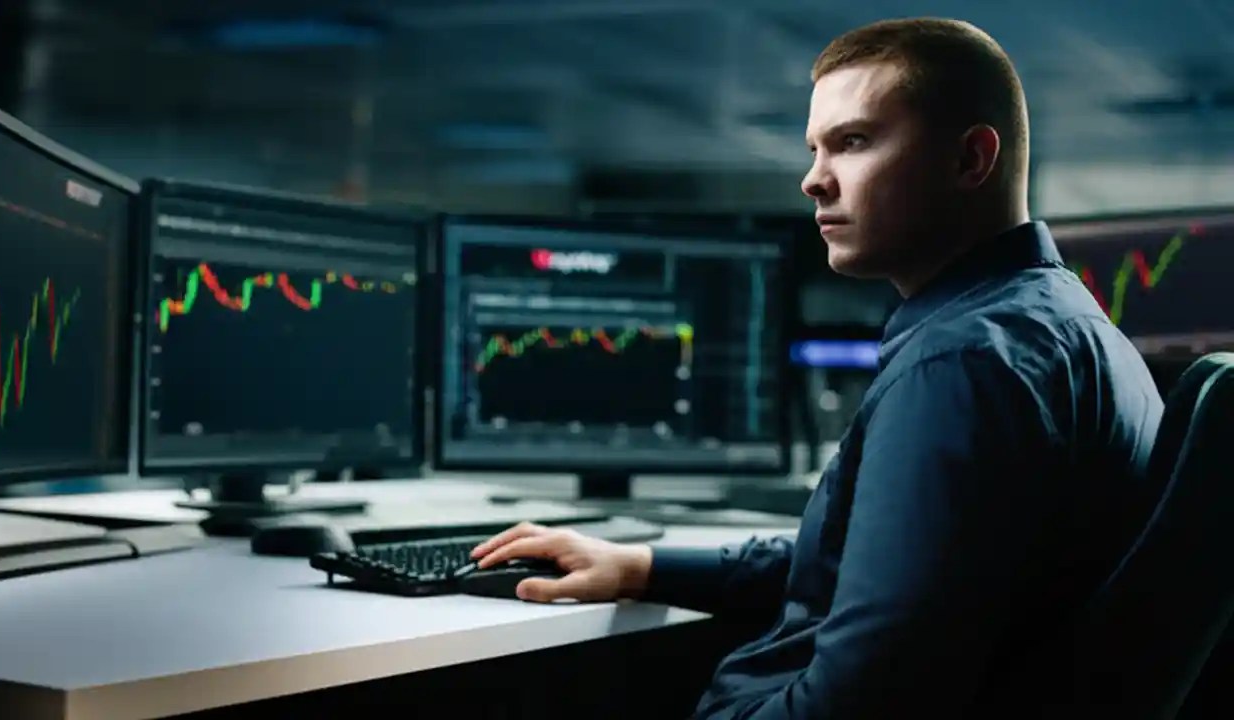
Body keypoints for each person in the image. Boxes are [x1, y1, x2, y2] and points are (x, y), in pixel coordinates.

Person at [471, 17, 1165, 718]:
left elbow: (864, 704)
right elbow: (867, 557)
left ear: (970, 160)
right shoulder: (1065, 322)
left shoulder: (961, 365)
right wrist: (642, 567)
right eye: (814, 148)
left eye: (853, 142)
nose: (812, 180)